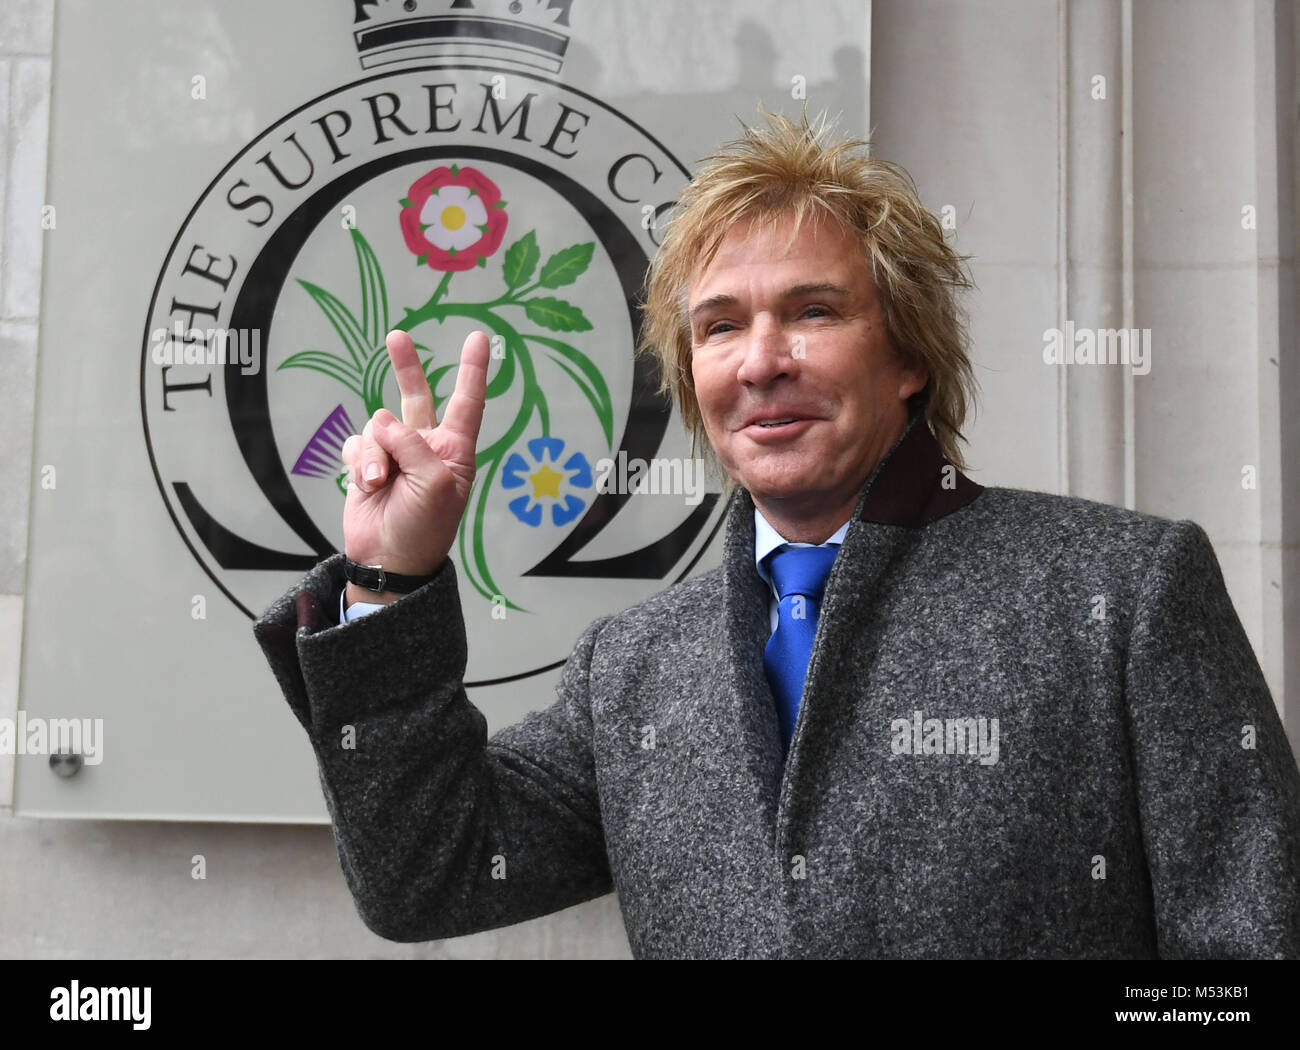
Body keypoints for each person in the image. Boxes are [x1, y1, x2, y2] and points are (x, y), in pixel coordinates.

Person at [254, 111, 1300, 959]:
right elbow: (426, 877)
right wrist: (391, 574)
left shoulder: (1123, 591)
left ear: (909, 357)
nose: (760, 362)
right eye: (719, 327)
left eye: (811, 312)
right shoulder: (633, 666)